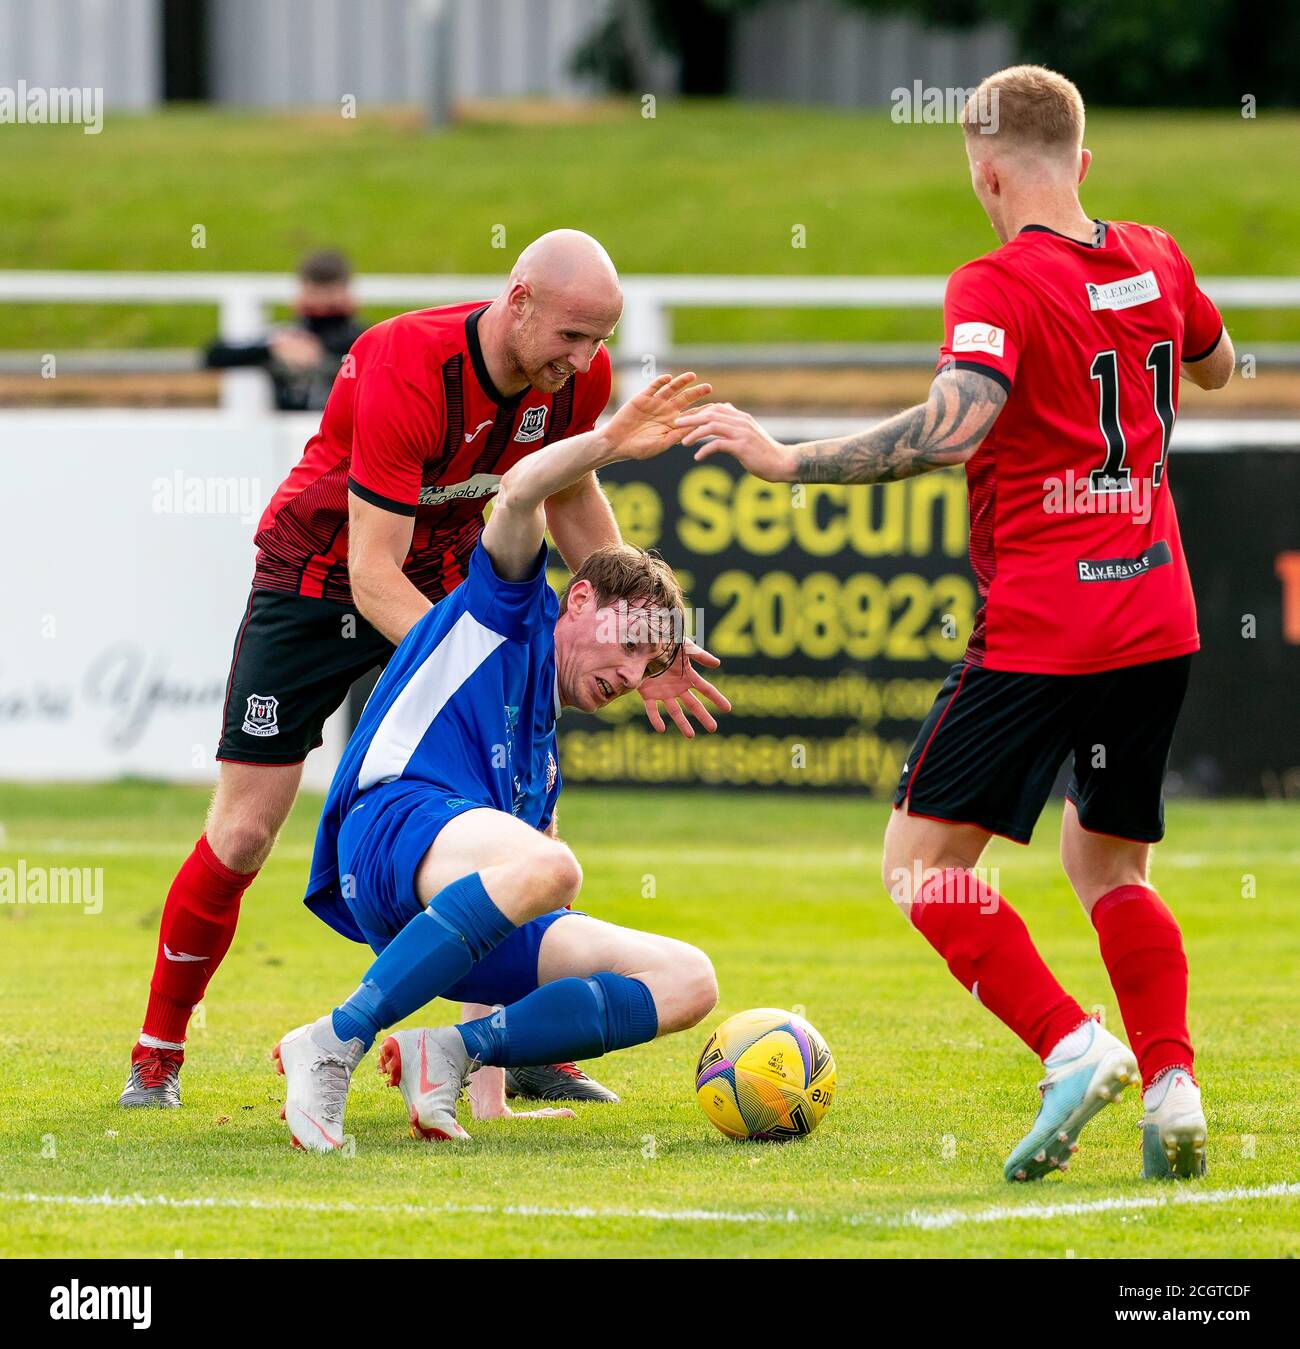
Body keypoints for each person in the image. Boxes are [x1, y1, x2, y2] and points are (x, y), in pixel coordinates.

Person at [676, 66, 1233, 1183]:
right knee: (1112, 862)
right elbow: (1213, 367)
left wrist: (788, 458)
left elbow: (954, 425)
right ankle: (1172, 1084)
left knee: (921, 865)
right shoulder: (1158, 257)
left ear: (984, 171)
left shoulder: (993, 280)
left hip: (1045, 623)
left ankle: (1073, 1048)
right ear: (1081, 163)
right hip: (1156, 611)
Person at [121, 231, 728, 1111]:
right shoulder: (405, 360)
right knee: (246, 832)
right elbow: (372, 574)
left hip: (439, 573)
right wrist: (481, 676)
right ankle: (158, 1048)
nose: (585, 359)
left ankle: (519, 1046)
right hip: (319, 578)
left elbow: (572, 499)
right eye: (570, 336)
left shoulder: (576, 380)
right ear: (518, 299)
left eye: (600, 340)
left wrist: (650, 641)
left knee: (515, 823)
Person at [275, 372, 719, 1150]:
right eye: (631, 645)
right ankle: (333, 1041)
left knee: (689, 978)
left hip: (442, 888)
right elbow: (517, 494)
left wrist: (485, 1102)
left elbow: (500, 906)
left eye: (650, 665)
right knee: (553, 866)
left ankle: (447, 1057)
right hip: (388, 825)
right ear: (578, 601)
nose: (629, 676)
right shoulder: (511, 611)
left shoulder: (541, 762)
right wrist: (611, 441)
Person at [203, 248, 367, 411]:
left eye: (329, 294)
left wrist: (322, 350)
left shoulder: (361, 339)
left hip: (344, 433)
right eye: (314, 293)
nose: (321, 303)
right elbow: (215, 356)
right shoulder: (285, 338)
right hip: (288, 432)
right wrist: (269, 349)